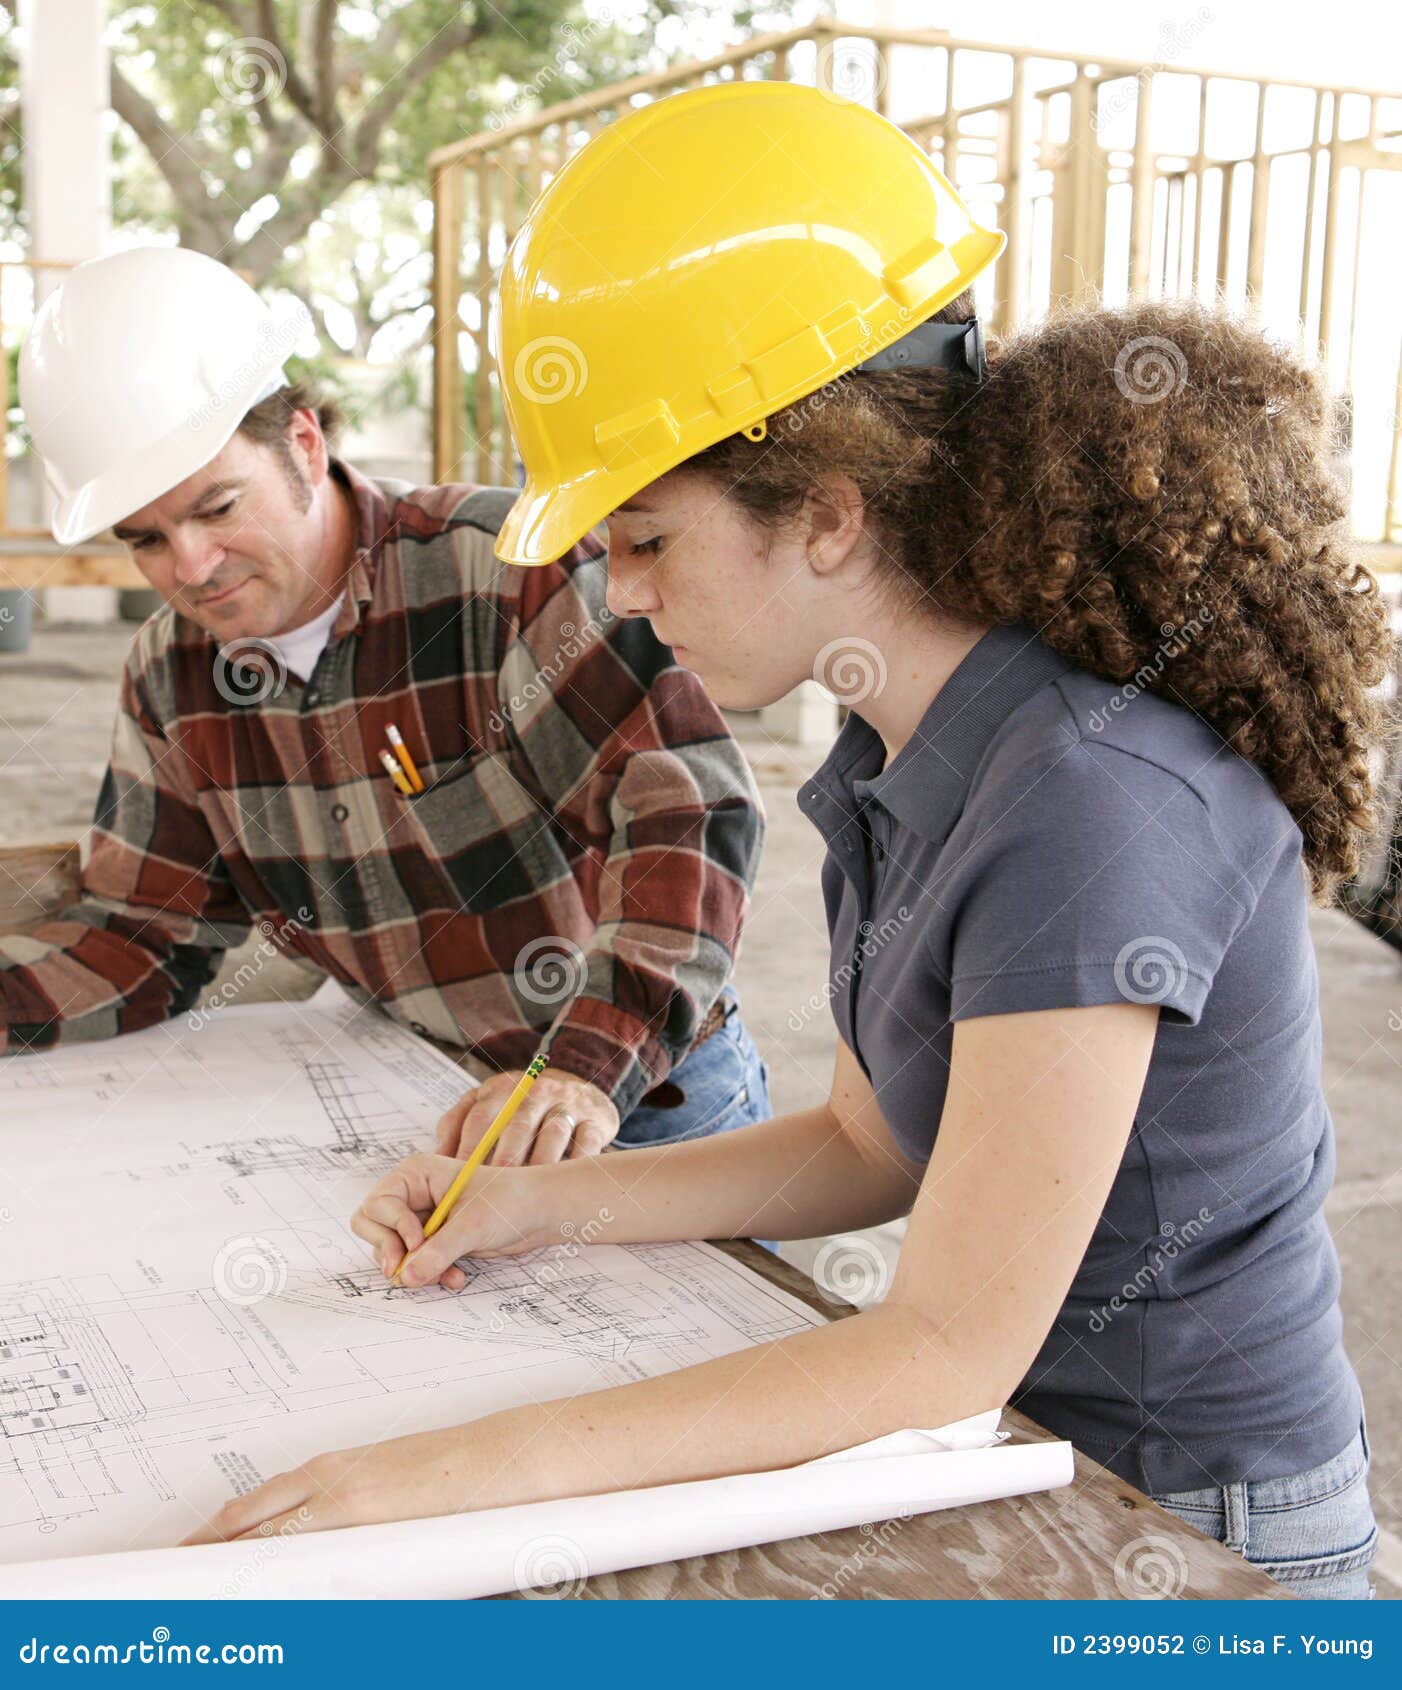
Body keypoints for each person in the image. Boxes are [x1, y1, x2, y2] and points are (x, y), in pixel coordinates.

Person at [186, 82, 1389, 1598]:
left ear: (825, 514)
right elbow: (868, 1145)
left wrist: (441, 1474)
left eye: (646, 538)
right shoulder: (901, 749)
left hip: (1197, 1533)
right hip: (1028, 1456)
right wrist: (541, 1202)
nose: (622, 594)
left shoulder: (1087, 800)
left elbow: (943, 1345)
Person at [3, 246, 770, 1164]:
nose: (191, 568)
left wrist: (583, 1068)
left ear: (304, 443)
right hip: (426, 1088)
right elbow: (145, 938)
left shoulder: (506, 573)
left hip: (641, 1097)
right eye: (146, 541)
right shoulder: (171, 678)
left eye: (217, 509)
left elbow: (689, 809)